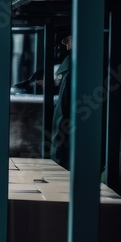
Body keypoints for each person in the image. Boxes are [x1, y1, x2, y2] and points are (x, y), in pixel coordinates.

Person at [51, 35, 72, 169]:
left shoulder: (71, 66)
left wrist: (56, 154)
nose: (64, 43)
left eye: (67, 38)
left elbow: (62, 113)